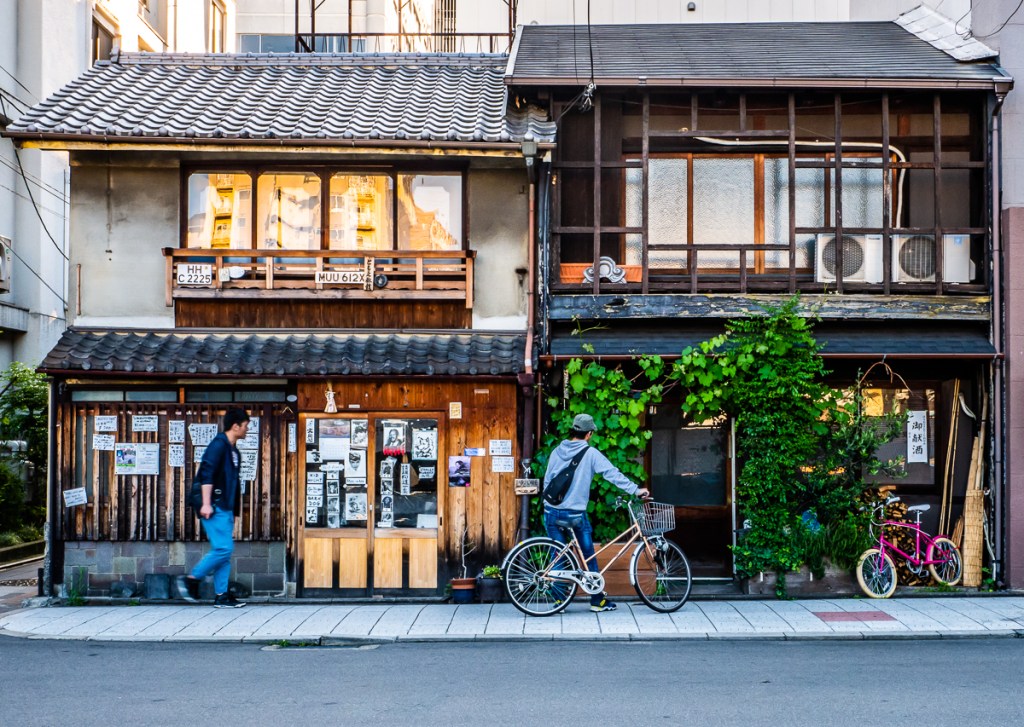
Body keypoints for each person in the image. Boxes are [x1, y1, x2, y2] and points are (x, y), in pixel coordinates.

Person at [543, 413, 649, 612]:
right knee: (588, 555)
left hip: (552, 511)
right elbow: (612, 474)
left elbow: (548, 480)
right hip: (574, 514)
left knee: (558, 554)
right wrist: (635, 490)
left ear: (573, 430)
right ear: (589, 434)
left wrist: (551, 506)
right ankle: (597, 600)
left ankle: (559, 601)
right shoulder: (590, 454)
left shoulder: (557, 451)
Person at [176, 408, 250, 608]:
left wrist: (234, 512)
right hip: (214, 505)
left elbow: (232, 482)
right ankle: (192, 579)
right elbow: (206, 474)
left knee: (223, 553)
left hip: (225, 507)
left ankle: (222, 595)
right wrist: (207, 503)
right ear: (236, 426)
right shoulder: (218, 445)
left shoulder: (233, 450)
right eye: (245, 426)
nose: (247, 430)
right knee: (223, 548)